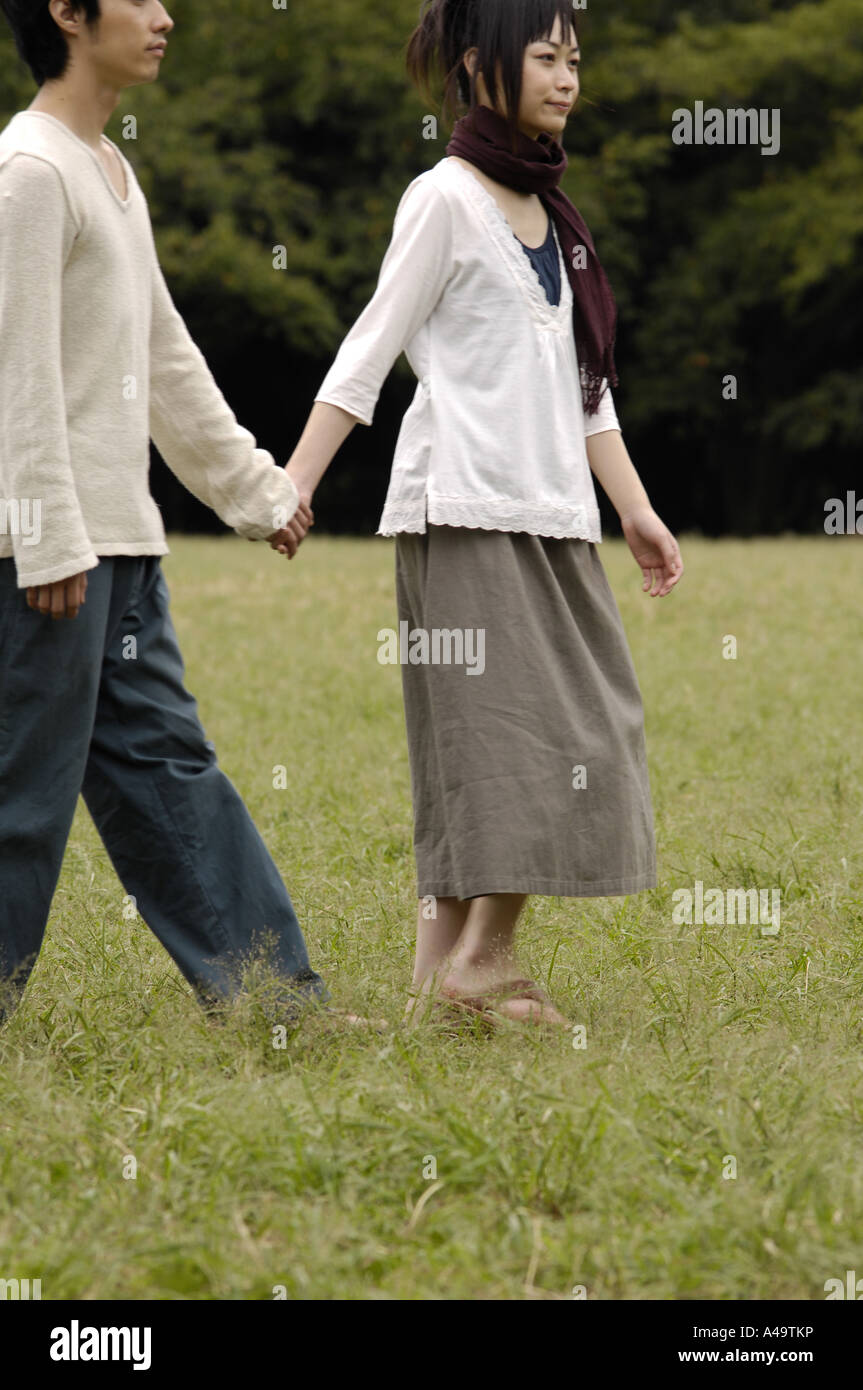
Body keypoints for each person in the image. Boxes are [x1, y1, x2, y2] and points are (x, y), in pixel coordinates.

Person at [277, 0, 684, 1030]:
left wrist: (632, 510)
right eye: (544, 56)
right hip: (461, 505)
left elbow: (587, 394)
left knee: (530, 741)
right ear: (478, 66)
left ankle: (431, 990)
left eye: (574, 58)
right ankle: (483, 961)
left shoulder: (559, 221)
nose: (565, 76)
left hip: (552, 515)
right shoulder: (443, 199)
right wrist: (296, 480)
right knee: (517, 745)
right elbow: (367, 351)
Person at [0, 0, 381, 1032]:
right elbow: (17, 372)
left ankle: (277, 1007)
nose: (165, 16)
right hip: (49, 559)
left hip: (121, 549)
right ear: (67, 14)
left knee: (172, 778)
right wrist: (44, 535)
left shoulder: (110, 172)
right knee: (22, 804)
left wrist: (258, 493)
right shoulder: (30, 171)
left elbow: (165, 363)